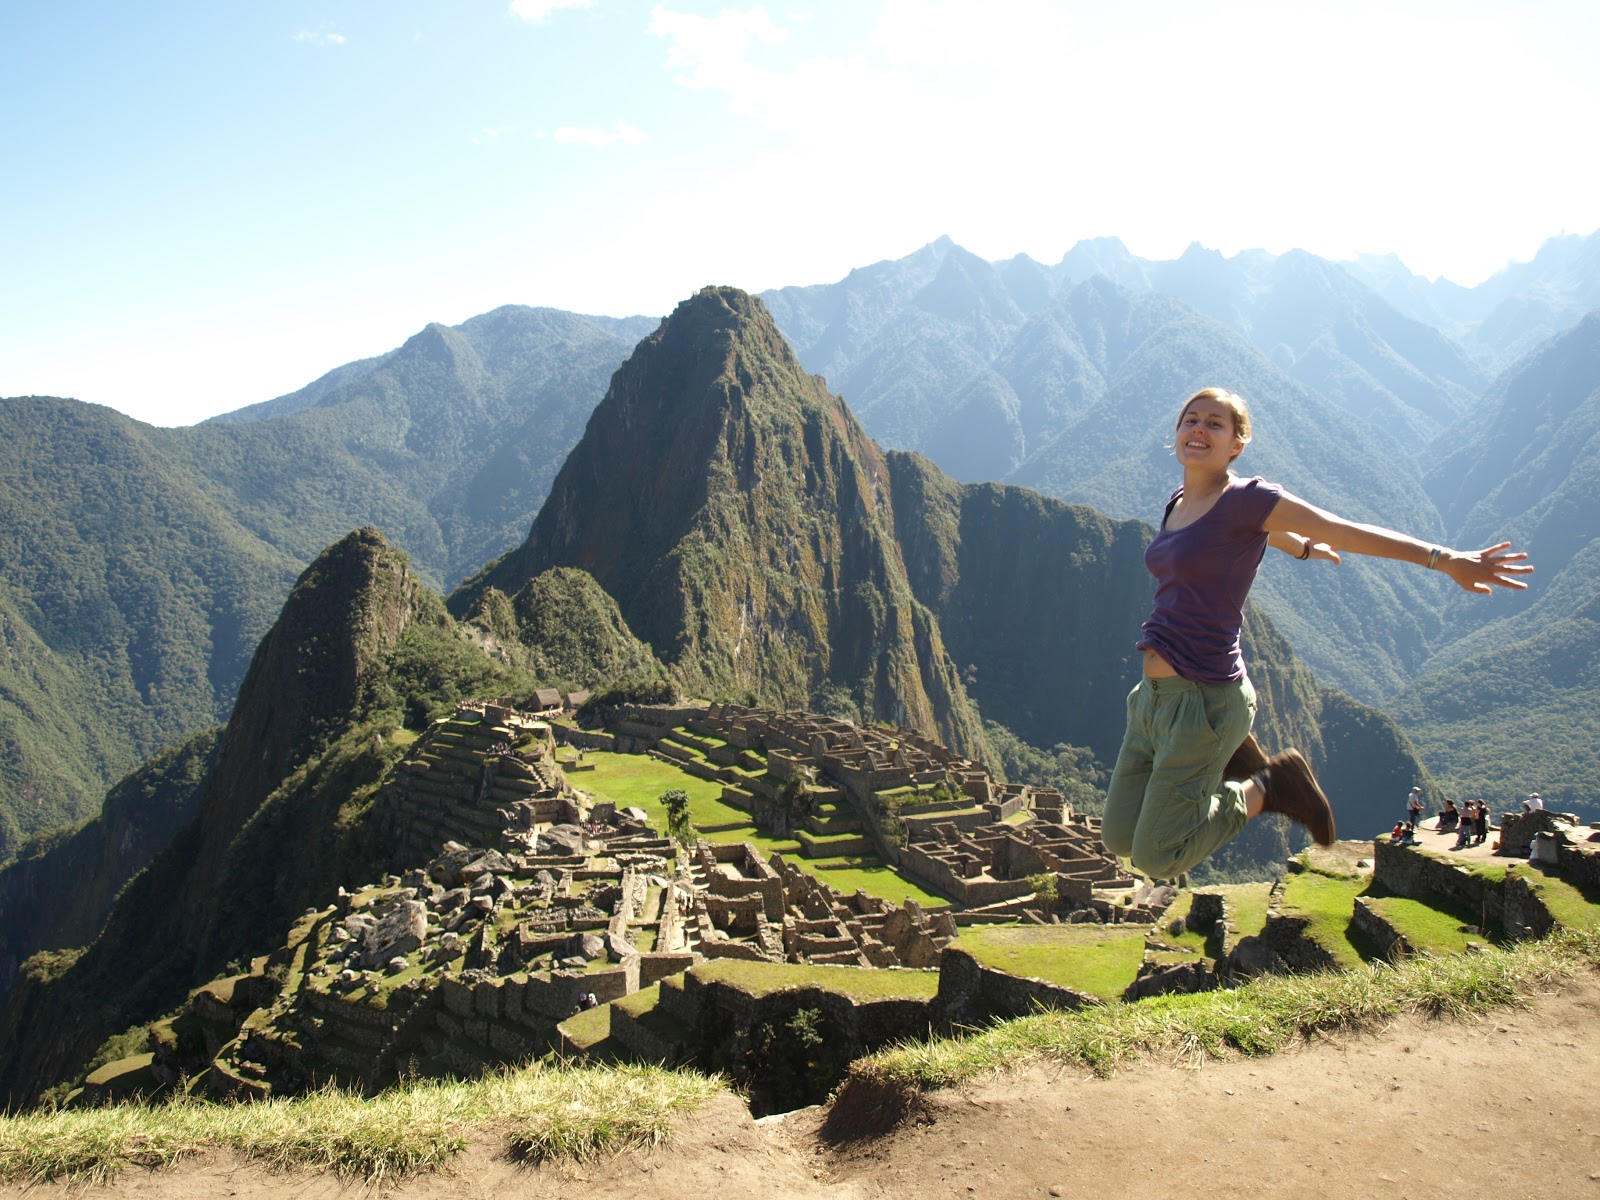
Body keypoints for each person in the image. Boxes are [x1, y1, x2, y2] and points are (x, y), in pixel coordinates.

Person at [1101, 388, 1534, 881]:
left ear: (1237, 444)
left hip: (1203, 699)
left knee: (1157, 858)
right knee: (1118, 839)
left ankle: (1268, 787)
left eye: (1215, 423)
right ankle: (1230, 754)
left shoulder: (1250, 498)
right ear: (1177, 432)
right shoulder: (1180, 501)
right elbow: (1249, 532)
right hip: (1152, 699)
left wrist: (1444, 559)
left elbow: (1339, 529)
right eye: (1191, 419)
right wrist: (1300, 549)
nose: (1199, 429)